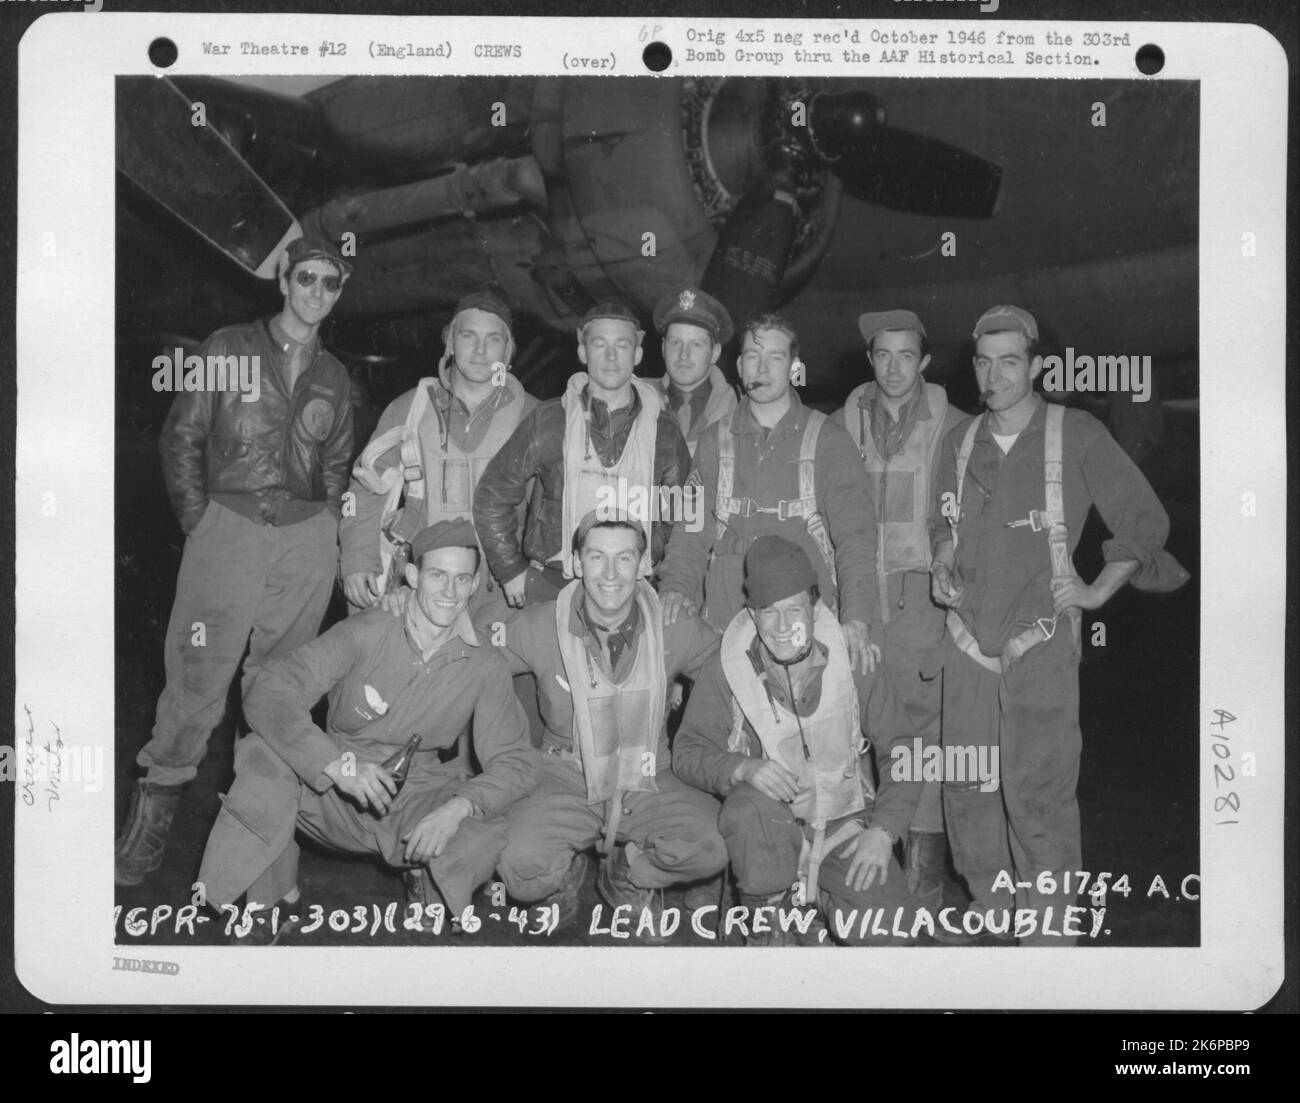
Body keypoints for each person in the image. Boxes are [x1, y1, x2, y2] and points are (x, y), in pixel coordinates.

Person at [929, 305, 1190, 946]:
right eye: (984, 362)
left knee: (1036, 795)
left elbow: (1144, 521)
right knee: (966, 788)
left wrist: (1098, 588)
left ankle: (1049, 945)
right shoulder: (959, 440)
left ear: (1037, 365)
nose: (994, 376)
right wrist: (940, 556)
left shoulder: (1075, 434)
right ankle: (998, 918)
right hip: (965, 638)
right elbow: (943, 520)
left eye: (1009, 361)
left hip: (1038, 639)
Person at [116, 236, 355, 887]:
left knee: (277, 690)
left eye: (330, 283)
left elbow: (337, 467)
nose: (315, 292)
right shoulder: (227, 347)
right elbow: (182, 436)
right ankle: (156, 810)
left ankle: (258, 842)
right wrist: (204, 522)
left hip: (304, 543)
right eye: (306, 277)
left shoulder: (334, 376)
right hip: (230, 530)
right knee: (195, 679)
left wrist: (327, 528)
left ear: (338, 292)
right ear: (284, 278)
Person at [196, 519, 538, 942]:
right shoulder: (367, 631)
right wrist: (335, 764)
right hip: (333, 786)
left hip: (416, 797)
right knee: (263, 758)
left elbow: (517, 762)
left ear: (474, 585)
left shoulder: (485, 664)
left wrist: (456, 810)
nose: (450, 591)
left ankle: (428, 881)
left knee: (477, 835)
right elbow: (271, 690)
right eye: (437, 575)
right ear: (412, 576)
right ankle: (272, 899)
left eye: (462, 578)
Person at [674, 536, 926, 945]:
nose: (782, 626)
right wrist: (741, 767)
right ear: (752, 616)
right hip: (770, 833)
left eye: (794, 609)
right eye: (768, 613)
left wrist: (885, 830)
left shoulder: (853, 660)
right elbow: (687, 752)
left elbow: (907, 748)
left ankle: (821, 904)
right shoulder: (727, 669)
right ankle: (769, 918)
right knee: (749, 807)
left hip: (843, 824)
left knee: (889, 933)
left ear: (814, 608)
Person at [495, 513, 727, 937]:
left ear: (644, 566)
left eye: (624, 559)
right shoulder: (540, 622)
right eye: (596, 557)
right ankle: (561, 873)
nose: (610, 574)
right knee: (519, 861)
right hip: (566, 771)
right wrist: (414, 612)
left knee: (712, 845)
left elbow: (736, 670)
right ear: (577, 563)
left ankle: (625, 873)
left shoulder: (672, 625)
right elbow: (473, 659)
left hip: (648, 772)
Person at [657, 312, 880, 675]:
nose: (761, 368)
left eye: (775, 357)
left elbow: (856, 541)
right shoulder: (715, 441)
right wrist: (677, 589)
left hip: (802, 625)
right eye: (751, 357)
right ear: (740, 365)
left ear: (793, 367)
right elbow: (690, 530)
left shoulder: (829, 441)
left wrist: (856, 619)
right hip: (725, 625)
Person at [834, 309, 968, 904]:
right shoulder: (841, 423)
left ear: (926, 361)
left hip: (919, 601)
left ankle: (926, 887)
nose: (893, 368)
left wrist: (950, 564)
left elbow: (961, 513)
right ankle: (869, 881)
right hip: (857, 597)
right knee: (858, 729)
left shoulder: (955, 425)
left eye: (906, 355)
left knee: (922, 738)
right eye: (882, 355)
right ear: (869, 358)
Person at [473, 300, 691, 608]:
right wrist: (509, 570)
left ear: (638, 354)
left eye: (623, 345)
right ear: (582, 352)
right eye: (600, 344)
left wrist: (670, 576)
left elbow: (686, 515)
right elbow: (492, 493)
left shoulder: (665, 431)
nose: (612, 356)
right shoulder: (550, 420)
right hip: (554, 583)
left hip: (633, 586)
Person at [340, 291, 536, 621]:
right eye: (468, 336)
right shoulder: (410, 409)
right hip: (420, 577)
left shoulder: (532, 415)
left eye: (493, 339)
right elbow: (367, 486)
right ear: (450, 342)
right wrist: (358, 559)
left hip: (499, 587)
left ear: (509, 349)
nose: (480, 350)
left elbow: (551, 504)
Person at [651, 286, 739, 458]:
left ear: (715, 353)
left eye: (696, 344)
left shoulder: (739, 408)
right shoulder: (640, 400)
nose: (684, 354)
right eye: (675, 342)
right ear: (663, 347)